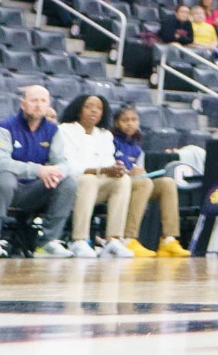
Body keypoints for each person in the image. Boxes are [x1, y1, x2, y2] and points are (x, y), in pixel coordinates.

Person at [0, 85, 79, 258]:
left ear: (49, 104)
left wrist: (55, 172)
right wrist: (38, 170)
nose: (38, 105)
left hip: (29, 190)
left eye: (43, 101)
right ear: (23, 104)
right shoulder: (5, 128)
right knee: (6, 179)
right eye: (34, 101)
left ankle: (47, 242)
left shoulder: (53, 131)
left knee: (67, 182)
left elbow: (64, 162)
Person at [51, 94, 135, 257]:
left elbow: (107, 163)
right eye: (89, 106)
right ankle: (79, 240)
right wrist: (100, 171)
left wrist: (115, 169)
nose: (94, 110)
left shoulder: (105, 134)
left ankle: (113, 240)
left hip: (96, 187)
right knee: (88, 179)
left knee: (122, 180)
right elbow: (68, 167)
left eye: (98, 108)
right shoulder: (64, 130)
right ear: (78, 109)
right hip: (70, 186)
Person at [109, 106, 188, 256]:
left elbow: (140, 170)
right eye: (125, 120)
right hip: (116, 183)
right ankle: (128, 239)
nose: (130, 124)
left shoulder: (137, 148)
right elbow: (107, 166)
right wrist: (127, 172)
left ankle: (168, 240)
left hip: (136, 183)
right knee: (144, 184)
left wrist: (141, 172)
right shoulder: (110, 140)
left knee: (167, 183)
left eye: (134, 120)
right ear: (116, 123)